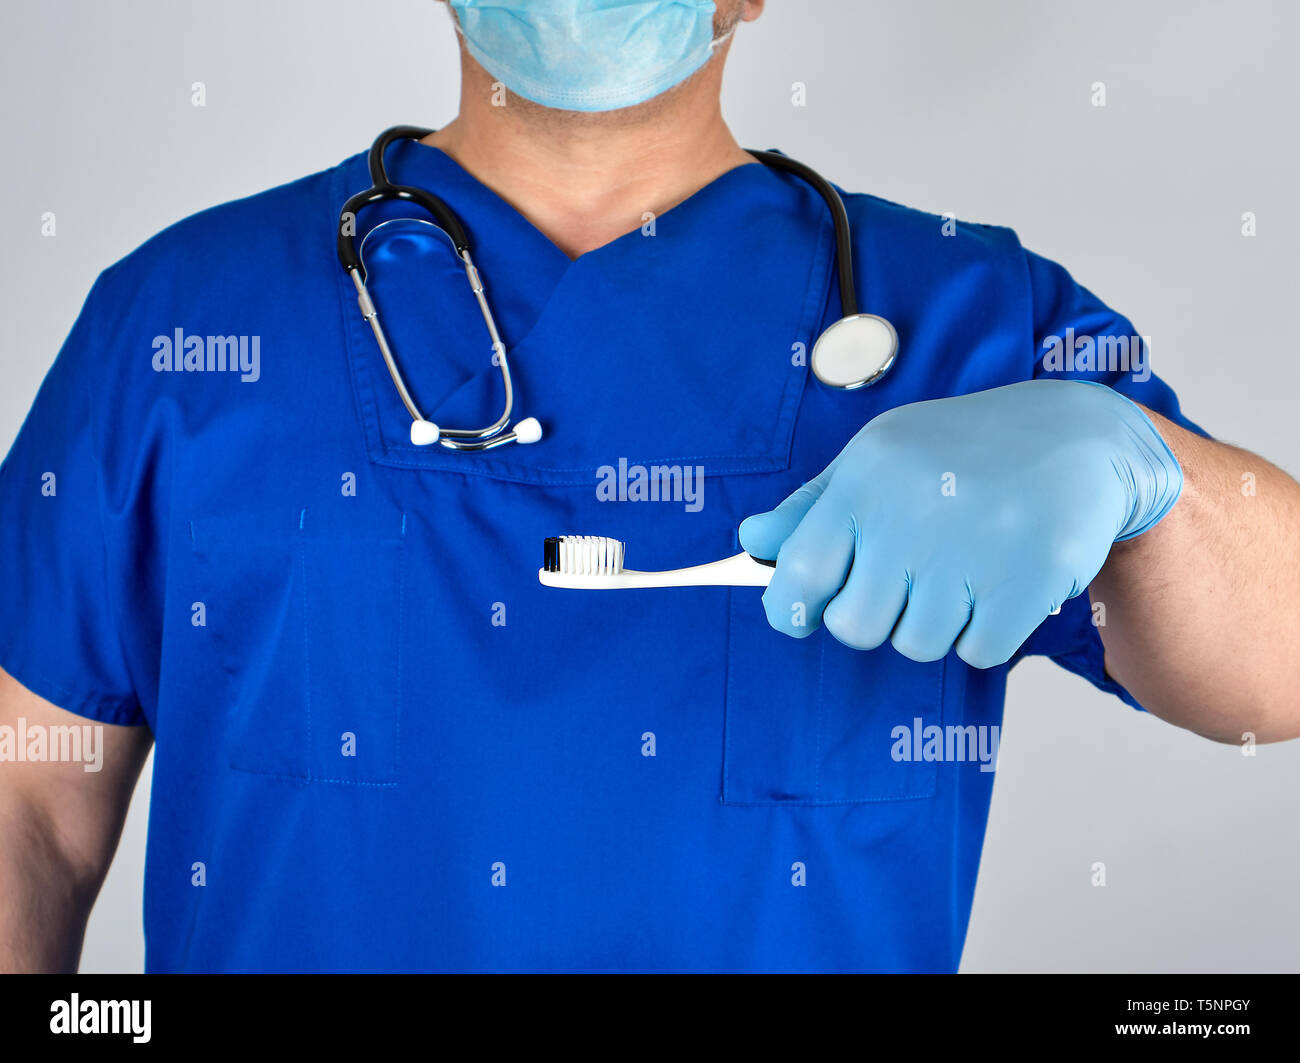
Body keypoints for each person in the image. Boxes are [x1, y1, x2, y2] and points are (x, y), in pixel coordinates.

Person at [1, 0, 1297, 974]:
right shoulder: (179, 321)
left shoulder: (970, 321)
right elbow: (32, 801)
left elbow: (1278, 675)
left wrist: (1141, 470)